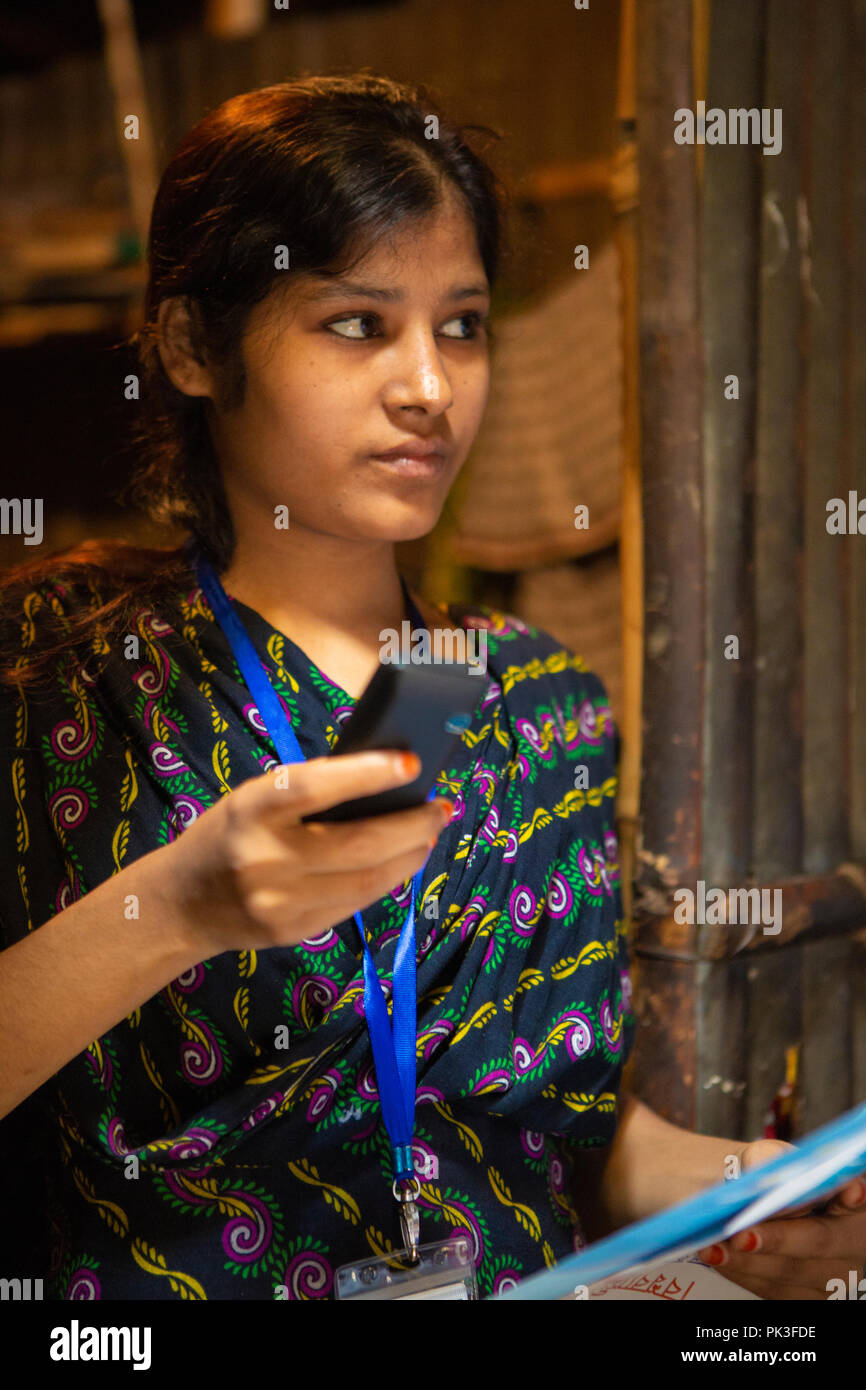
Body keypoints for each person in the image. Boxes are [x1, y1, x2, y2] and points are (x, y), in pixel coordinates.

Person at [0, 73, 863, 1302]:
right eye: (357, 322)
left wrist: (750, 1190)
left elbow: (545, 1135)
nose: (428, 385)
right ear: (194, 346)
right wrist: (180, 907)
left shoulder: (538, 699)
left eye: (460, 324)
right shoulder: (62, 668)